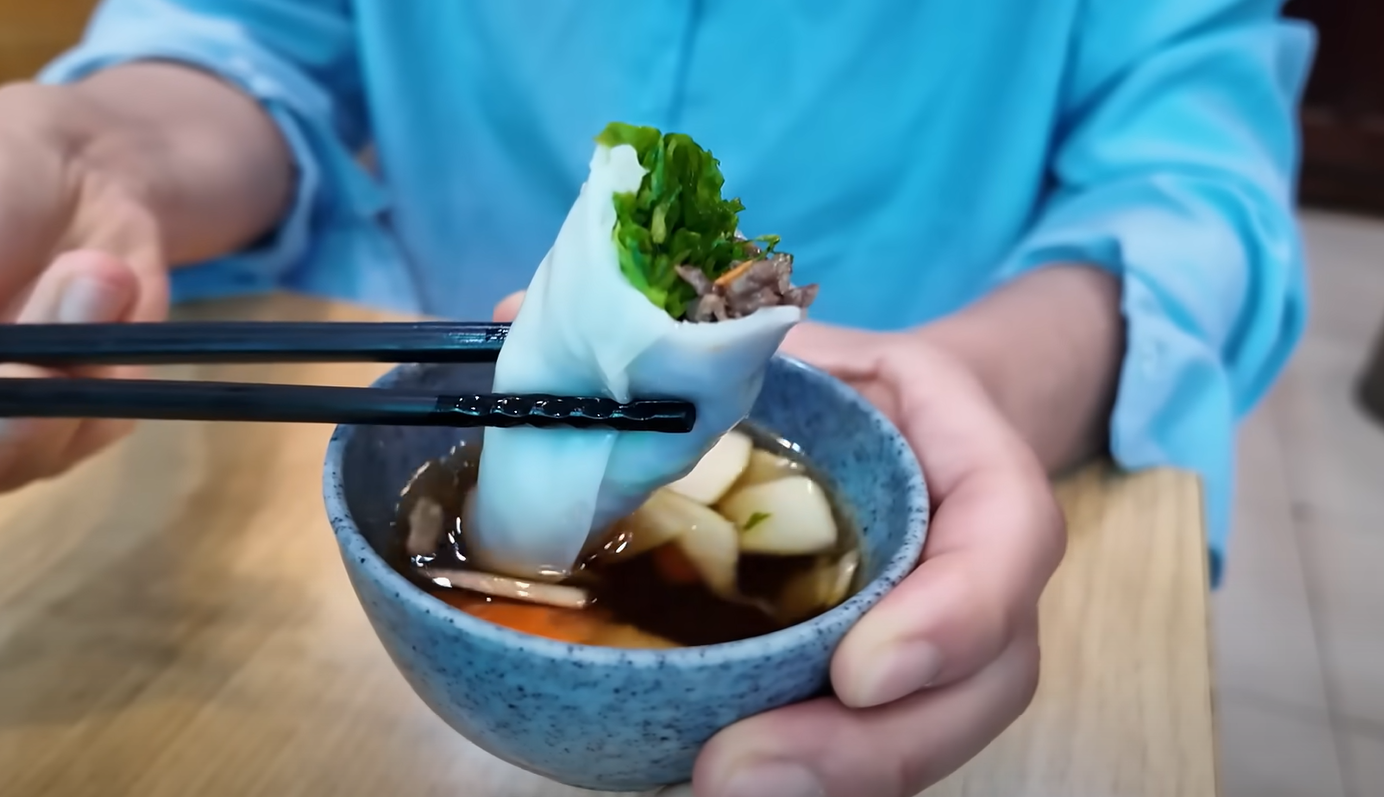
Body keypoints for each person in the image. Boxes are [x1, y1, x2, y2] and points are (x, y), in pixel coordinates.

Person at [0, 2, 1311, 795]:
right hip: (375, 505)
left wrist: (996, 377)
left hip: (960, 427)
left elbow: (1191, 169)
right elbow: (245, 39)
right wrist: (87, 151)